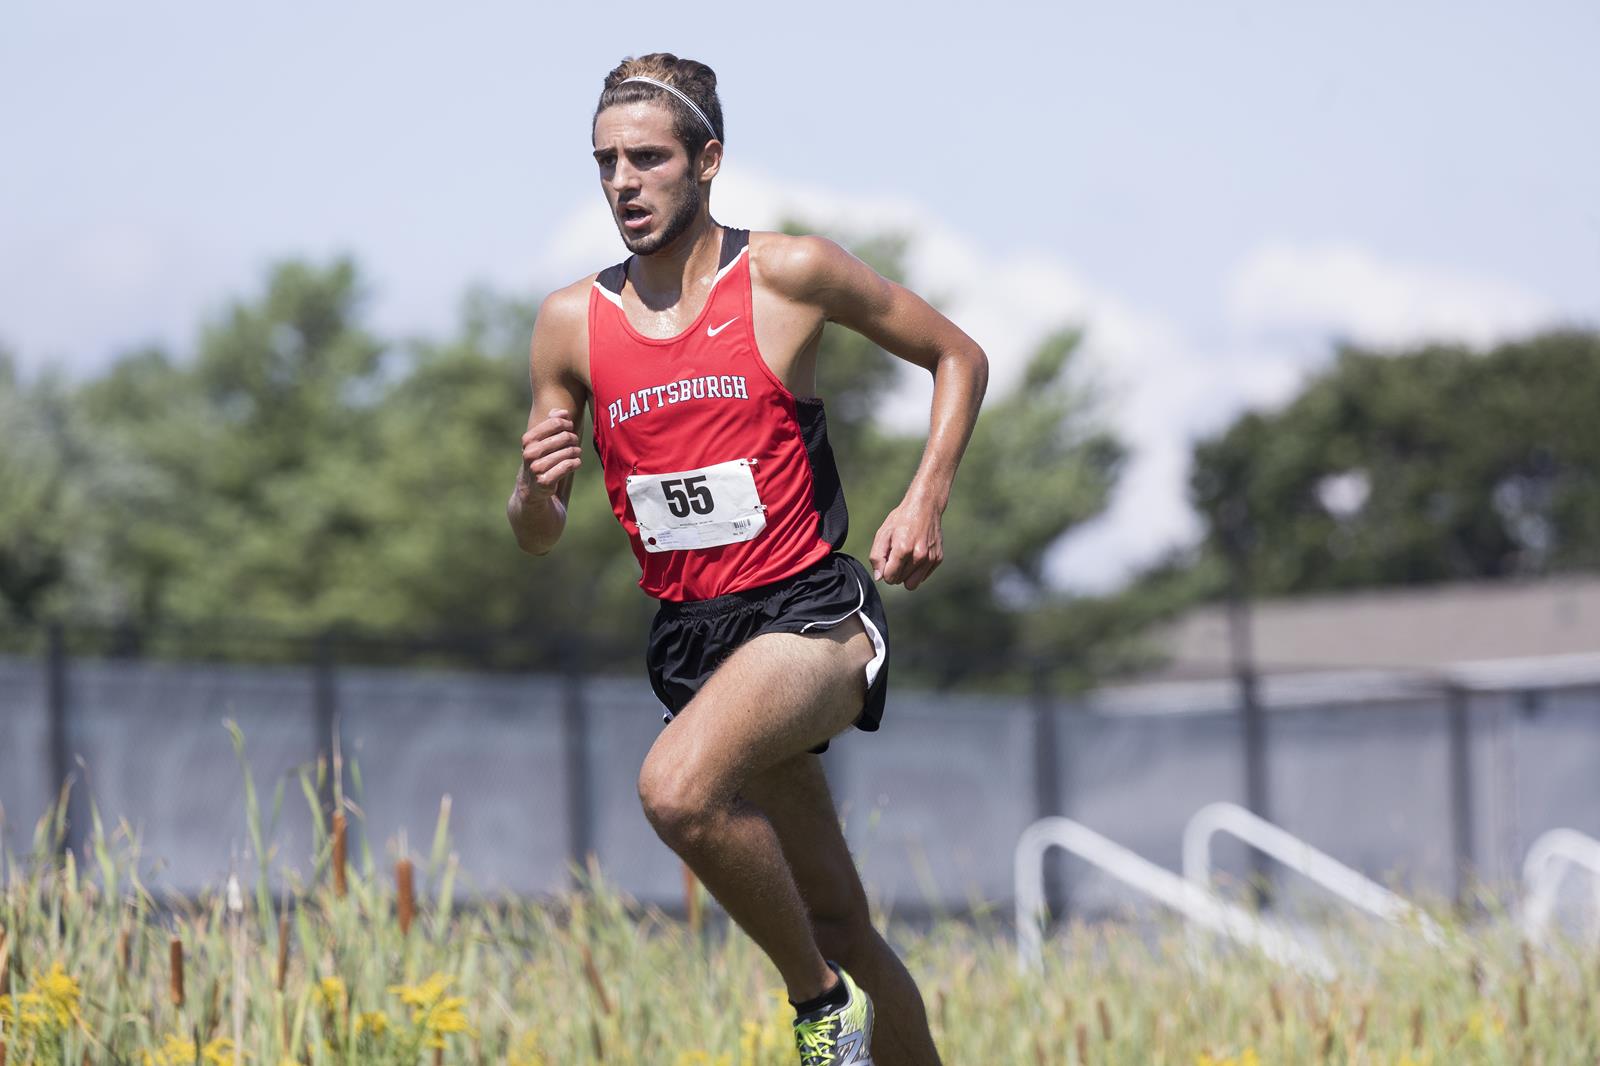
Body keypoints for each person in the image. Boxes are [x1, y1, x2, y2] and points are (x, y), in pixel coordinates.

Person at [508, 53, 986, 1066]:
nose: (622, 183)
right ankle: (851, 997)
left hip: (812, 618)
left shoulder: (786, 273)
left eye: (647, 158)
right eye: (604, 164)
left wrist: (926, 494)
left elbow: (958, 355)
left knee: (677, 790)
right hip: (696, 646)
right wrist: (531, 490)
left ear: (707, 160)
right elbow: (538, 532)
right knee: (841, 921)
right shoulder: (568, 323)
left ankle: (819, 1013)